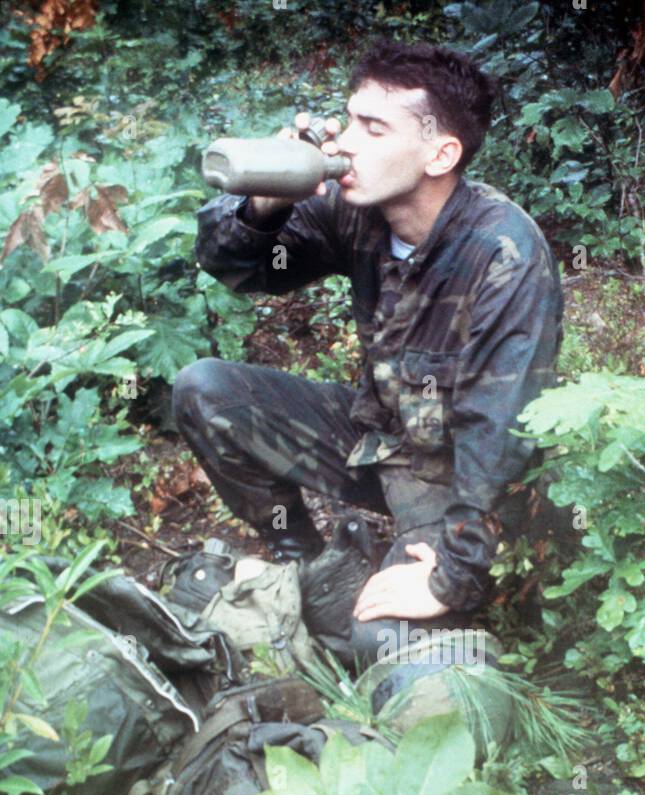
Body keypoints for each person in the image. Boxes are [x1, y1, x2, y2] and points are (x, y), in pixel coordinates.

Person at [174, 39, 563, 664]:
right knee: (205, 391)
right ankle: (301, 560)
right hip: (377, 439)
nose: (346, 141)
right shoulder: (357, 210)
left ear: (441, 154)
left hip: (453, 476)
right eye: (350, 118)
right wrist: (267, 203)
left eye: (373, 127)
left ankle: (458, 617)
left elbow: (500, 436)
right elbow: (237, 268)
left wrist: (451, 577)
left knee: (381, 641)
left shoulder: (502, 252)